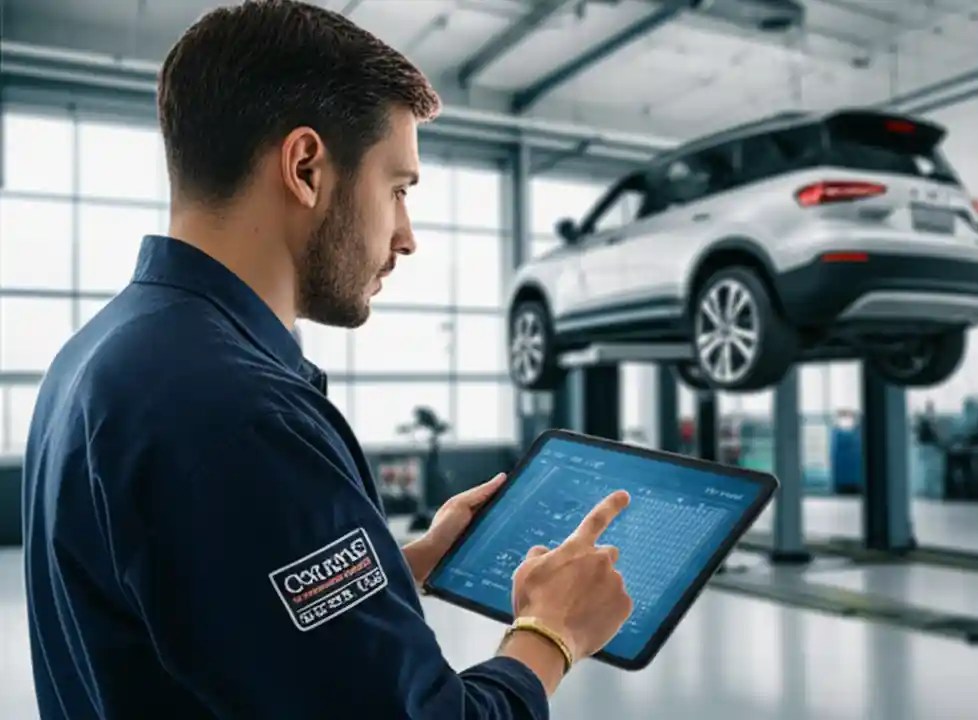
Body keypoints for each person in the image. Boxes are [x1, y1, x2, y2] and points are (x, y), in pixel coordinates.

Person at [20, 2, 633, 718]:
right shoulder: (238, 411)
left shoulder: (100, 356)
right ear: (306, 166)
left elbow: (224, 622)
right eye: (398, 189)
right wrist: (550, 632)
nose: (406, 236)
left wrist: (400, 567)